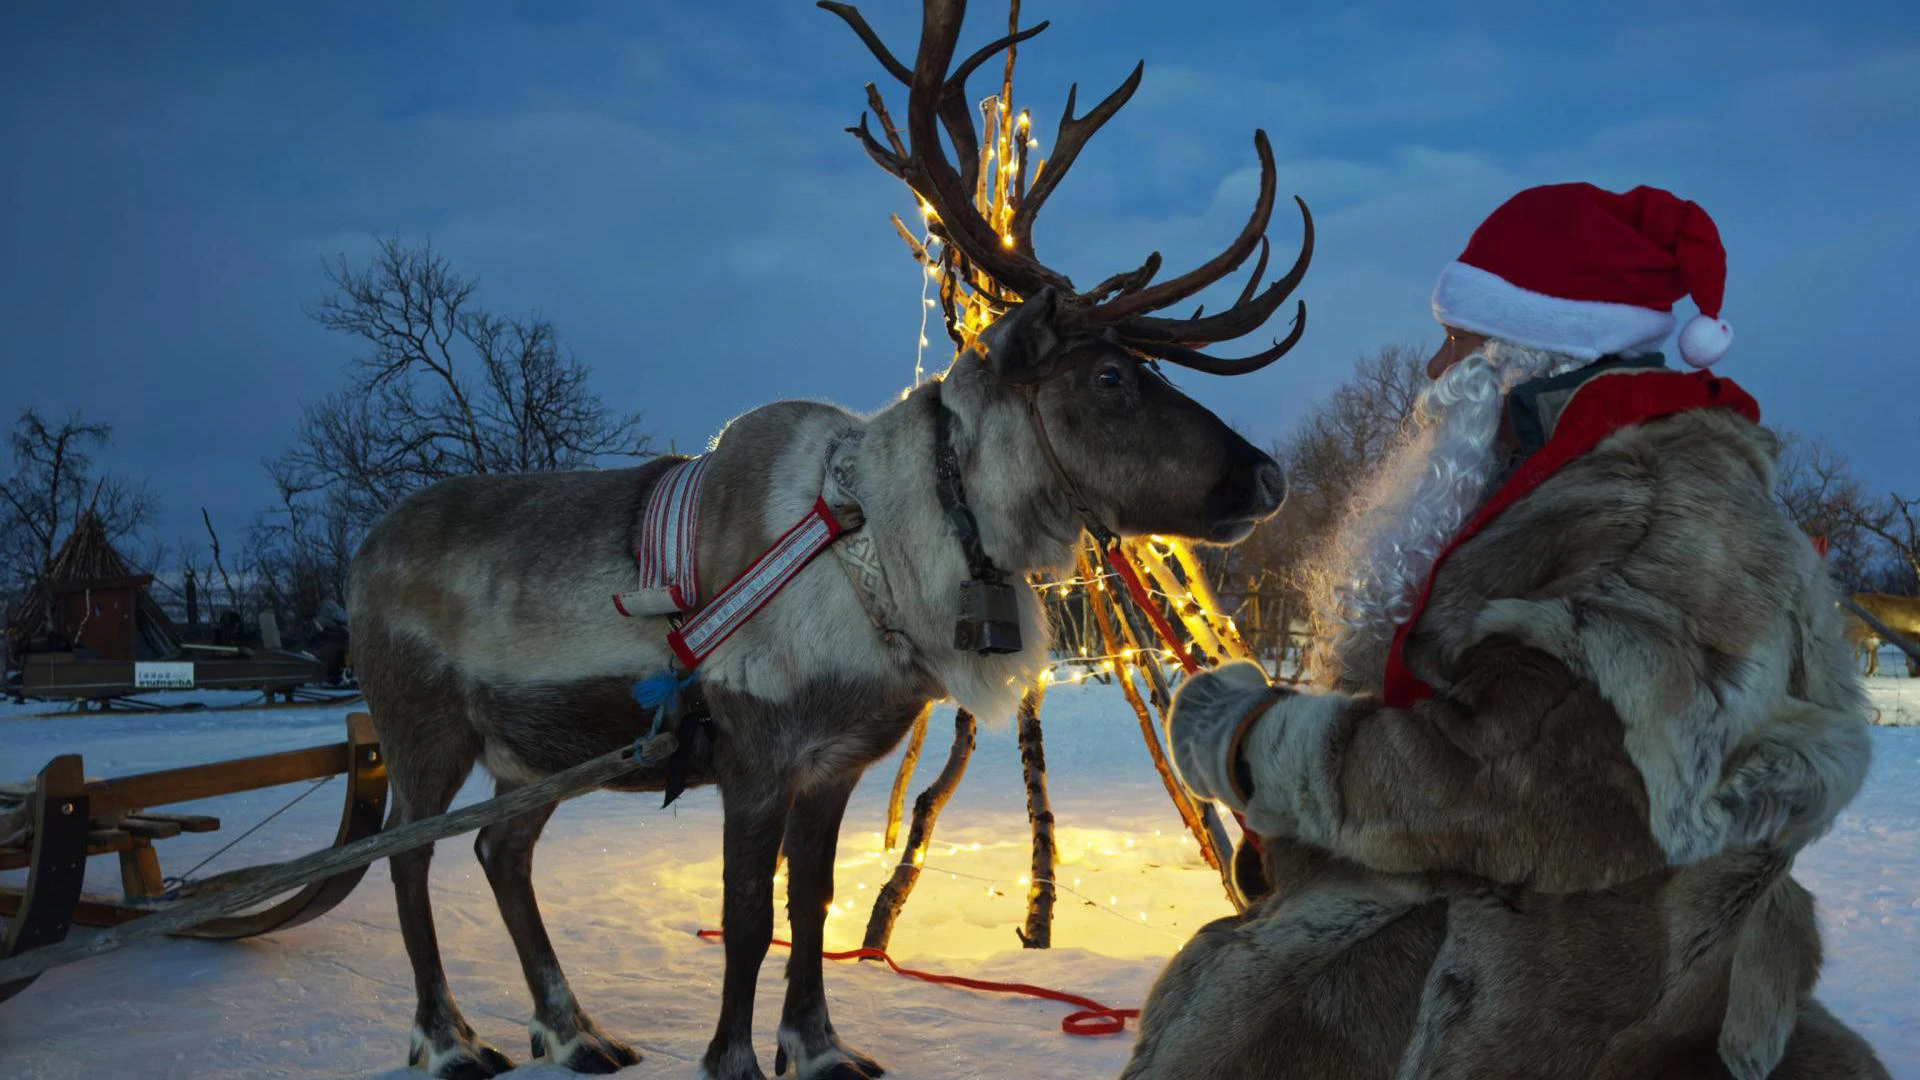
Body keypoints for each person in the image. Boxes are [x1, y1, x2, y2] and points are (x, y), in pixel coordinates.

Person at [1123, 183, 1889, 1079]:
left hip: (1577, 990)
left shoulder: (1643, 514)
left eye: (1458, 337)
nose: (1433, 366)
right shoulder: (1574, 484)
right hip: (1589, 949)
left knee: (1257, 1031)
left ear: (1526, 352)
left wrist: (1259, 746)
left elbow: (1535, 792)